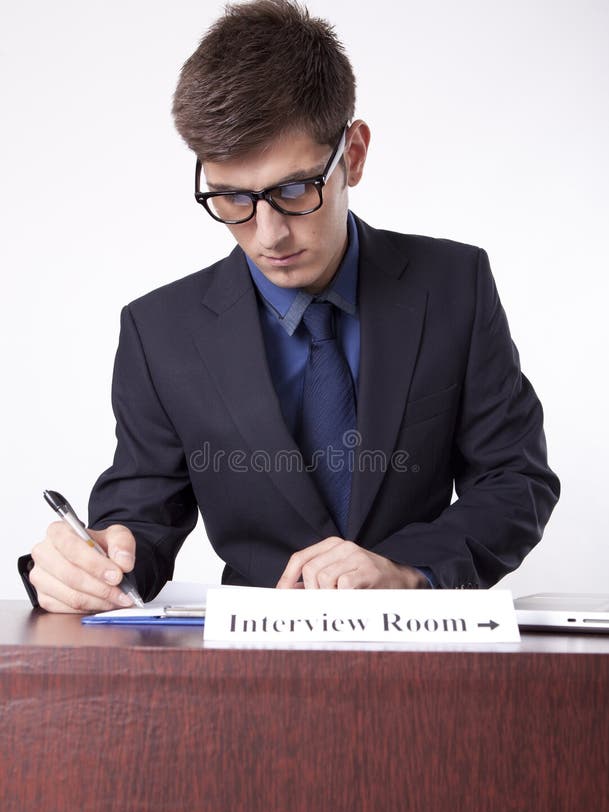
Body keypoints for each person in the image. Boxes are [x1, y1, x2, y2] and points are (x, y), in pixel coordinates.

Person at [25, 0, 559, 612]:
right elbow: (139, 524)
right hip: (251, 676)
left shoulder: (455, 285)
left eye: (293, 189)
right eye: (229, 198)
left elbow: (516, 482)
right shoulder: (159, 332)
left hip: (422, 659)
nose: (268, 236)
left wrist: (408, 571)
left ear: (353, 155)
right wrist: (93, 562)